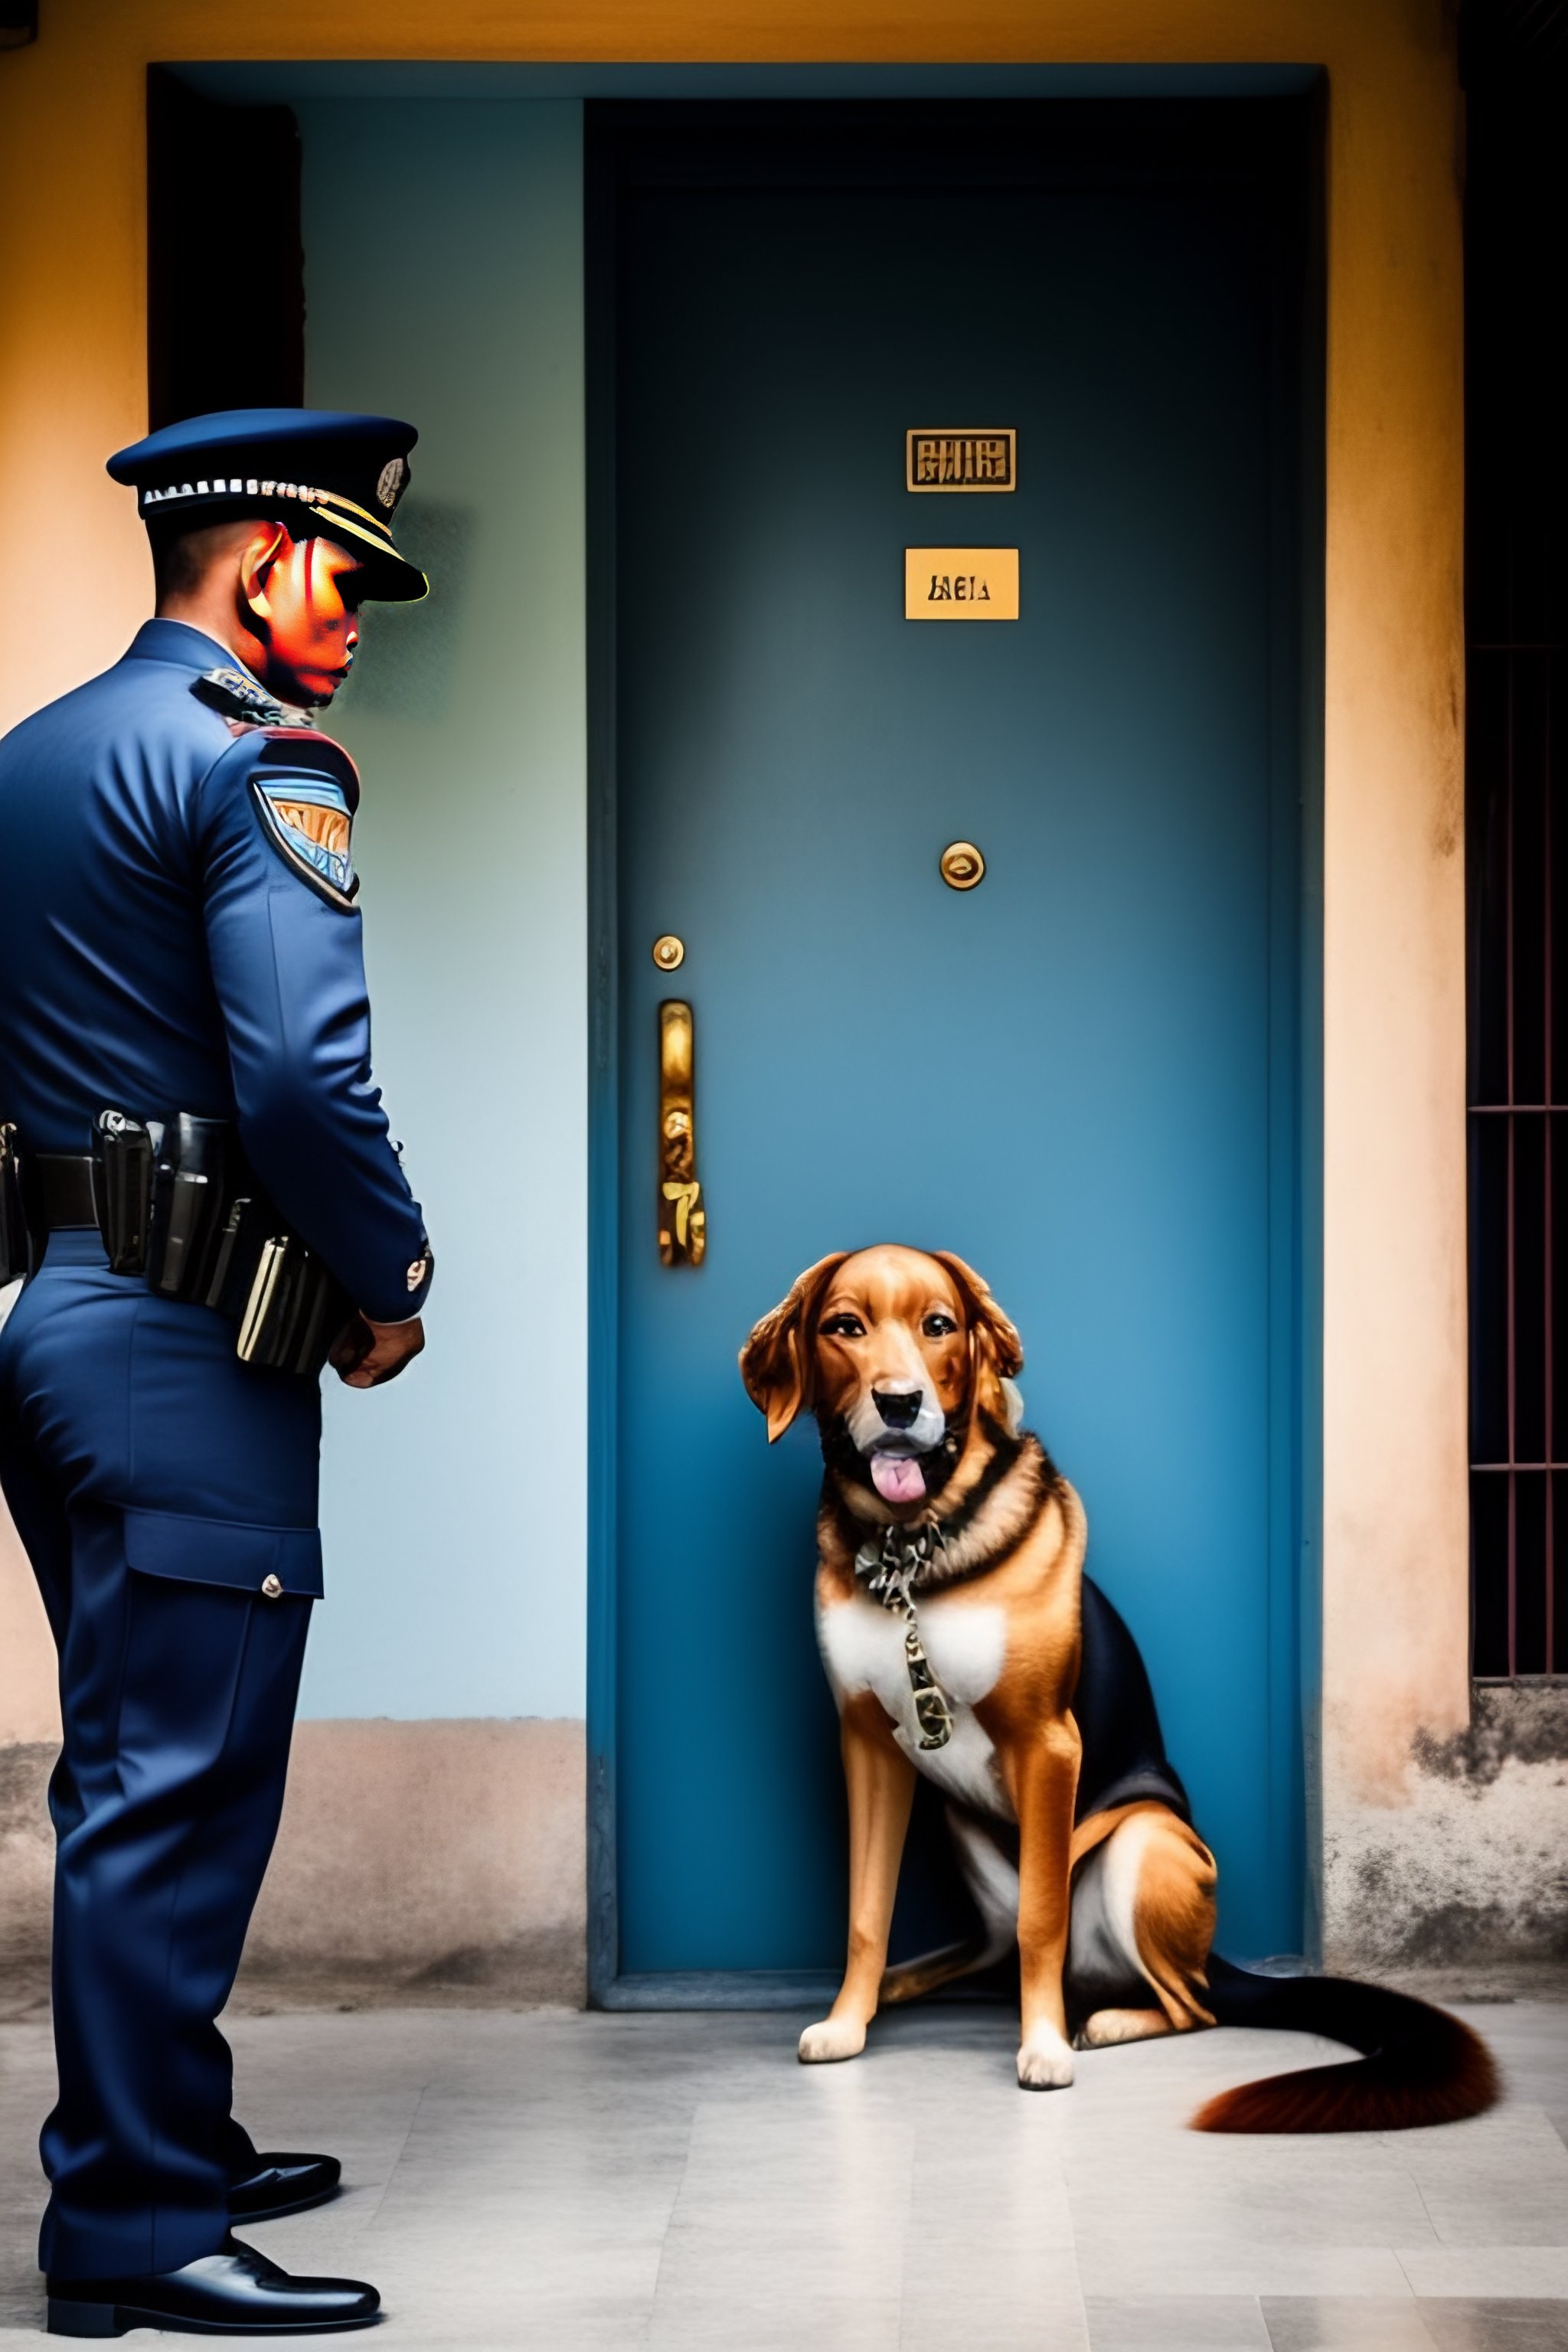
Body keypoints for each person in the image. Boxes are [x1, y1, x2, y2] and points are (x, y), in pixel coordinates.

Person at [0, 409, 435, 2337]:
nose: (356, 627)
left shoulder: (26, 761)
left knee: (128, 1765)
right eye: (345, 578)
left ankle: (163, 2126)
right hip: (190, 1337)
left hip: (49, 1318)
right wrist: (392, 1272)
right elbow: (300, 1082)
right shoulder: (263, 763)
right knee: (179, 1788)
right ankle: (133, 2225)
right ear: (260, 559)